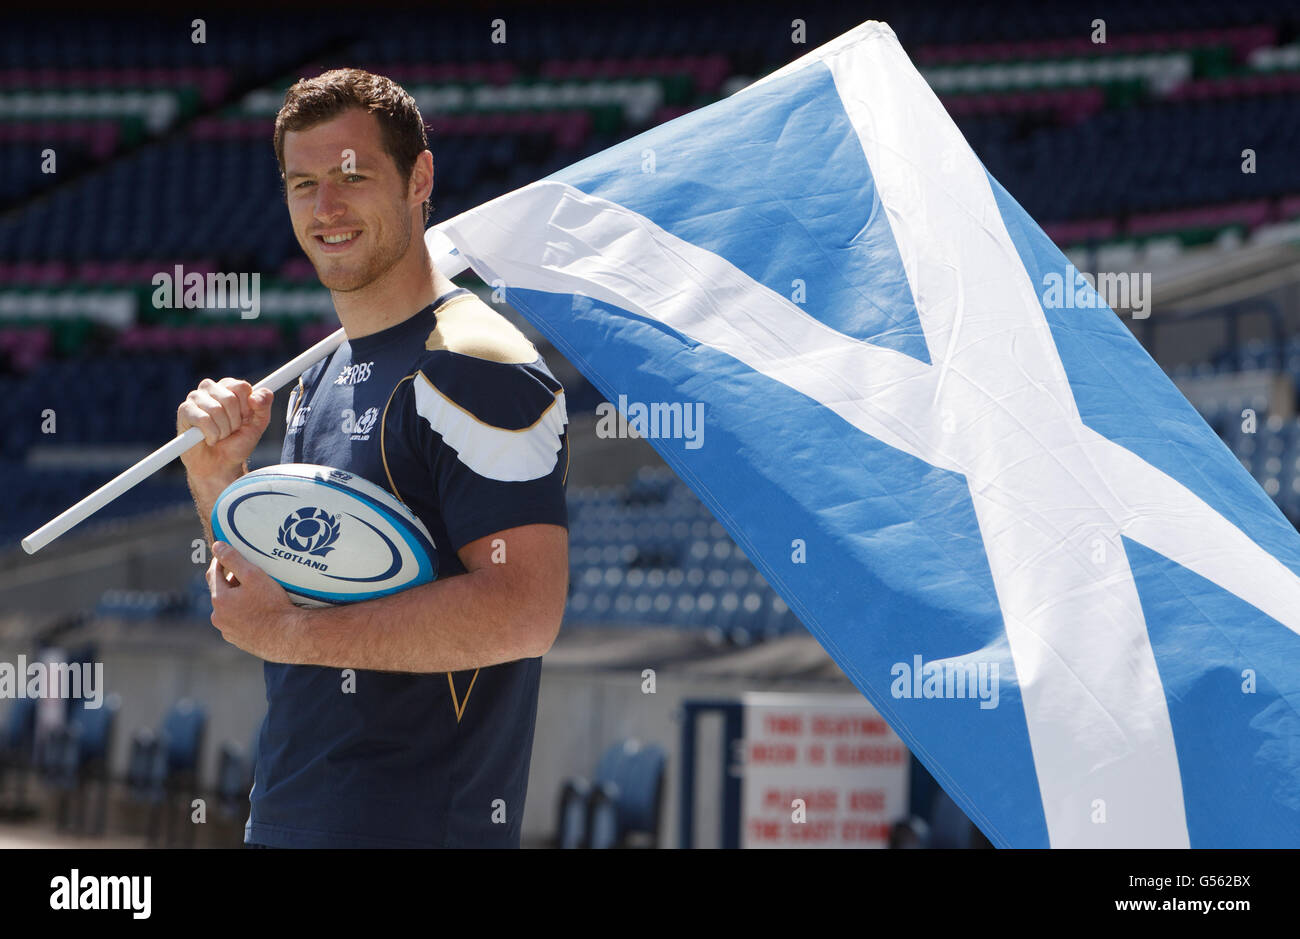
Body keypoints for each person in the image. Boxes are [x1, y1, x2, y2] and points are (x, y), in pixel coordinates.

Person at [175, 68, 570, 848]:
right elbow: (279, 590)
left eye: (352, 175)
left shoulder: (476, 359)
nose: (326, 208)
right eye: (303, 183)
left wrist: (286, 636)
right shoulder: (318, 374)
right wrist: (219, 480)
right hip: (290, 812)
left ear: (419, 176)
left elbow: (525, 610)